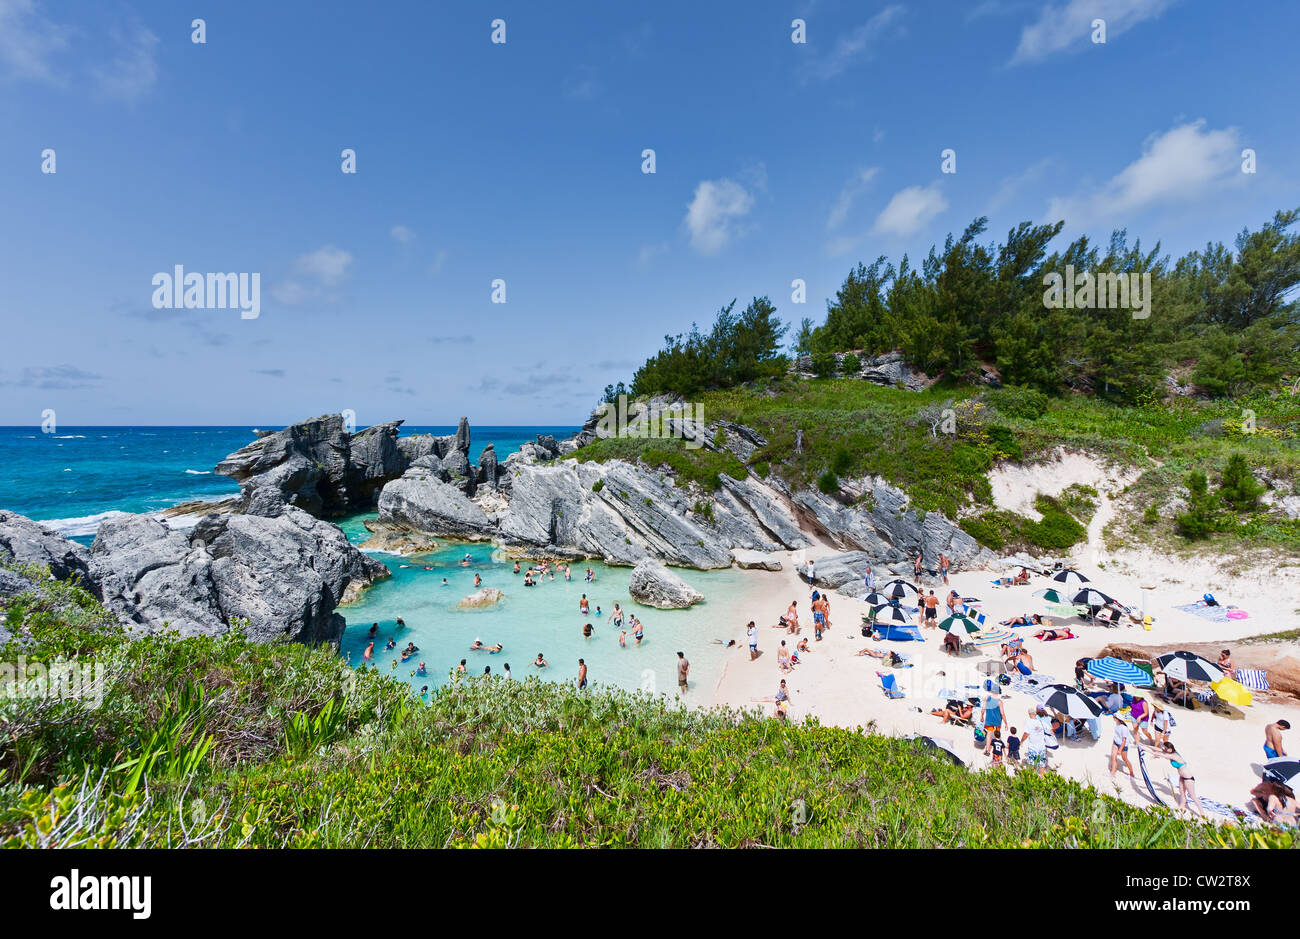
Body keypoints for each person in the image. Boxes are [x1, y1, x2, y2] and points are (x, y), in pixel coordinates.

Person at [1145, 741, 1204, 816]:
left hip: (1188, 778)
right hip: (1182, 777)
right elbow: (1157, 749)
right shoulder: (1170, 752)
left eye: (1165, 748)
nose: (1164, 749)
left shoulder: (1174, 755)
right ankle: (1182, 806)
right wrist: (1145, 745)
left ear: (1170, 749)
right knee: (1181, 792)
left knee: (1192, 796)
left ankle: (1202, 814)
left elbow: (1157, 753)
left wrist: (1142, 748)